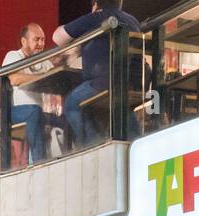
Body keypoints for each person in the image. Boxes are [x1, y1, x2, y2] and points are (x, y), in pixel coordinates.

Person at [53, 0, 141, 149]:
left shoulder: (97, 18)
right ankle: (137, 144)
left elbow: (57, 37)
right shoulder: (132, 20)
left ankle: (93, 147)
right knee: (122, 106)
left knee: (71, 104)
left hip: (106, 82)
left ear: (96, 4)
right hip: (134, 83)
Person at [3, 23, 64, 164]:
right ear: (24, 41)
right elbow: (14, 78)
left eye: (43, 40)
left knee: (64, 119)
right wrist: (43, 78)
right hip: (13, 112)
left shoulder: (43, 61)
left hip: (38, 112)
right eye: (36, 39)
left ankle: (68, 159)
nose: (41, 44)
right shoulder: (13, 55)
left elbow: (54, 78)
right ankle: (38, 163)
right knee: (34, 112)